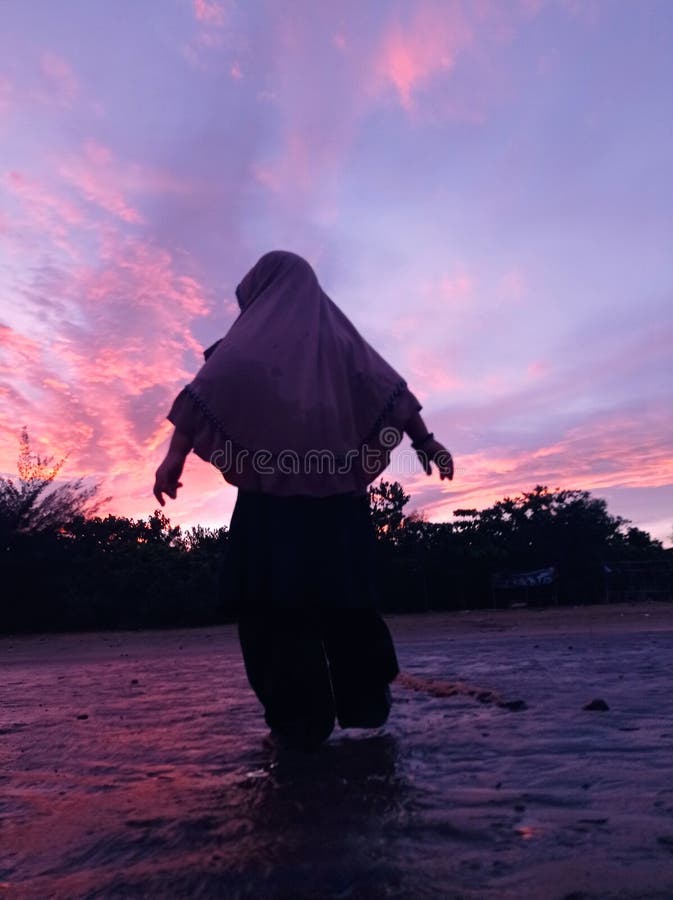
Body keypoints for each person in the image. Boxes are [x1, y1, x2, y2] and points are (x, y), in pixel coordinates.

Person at [153, 250, 453, 750]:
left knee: (273, 610)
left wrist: (174, 458)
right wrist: (427, 443)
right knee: (347, 604)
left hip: (272, 509)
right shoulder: (342, 341)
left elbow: (206, 393)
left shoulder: (242, 350)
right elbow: (390, 390)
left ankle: (298, 722)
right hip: (337, 507)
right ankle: (364, 710)